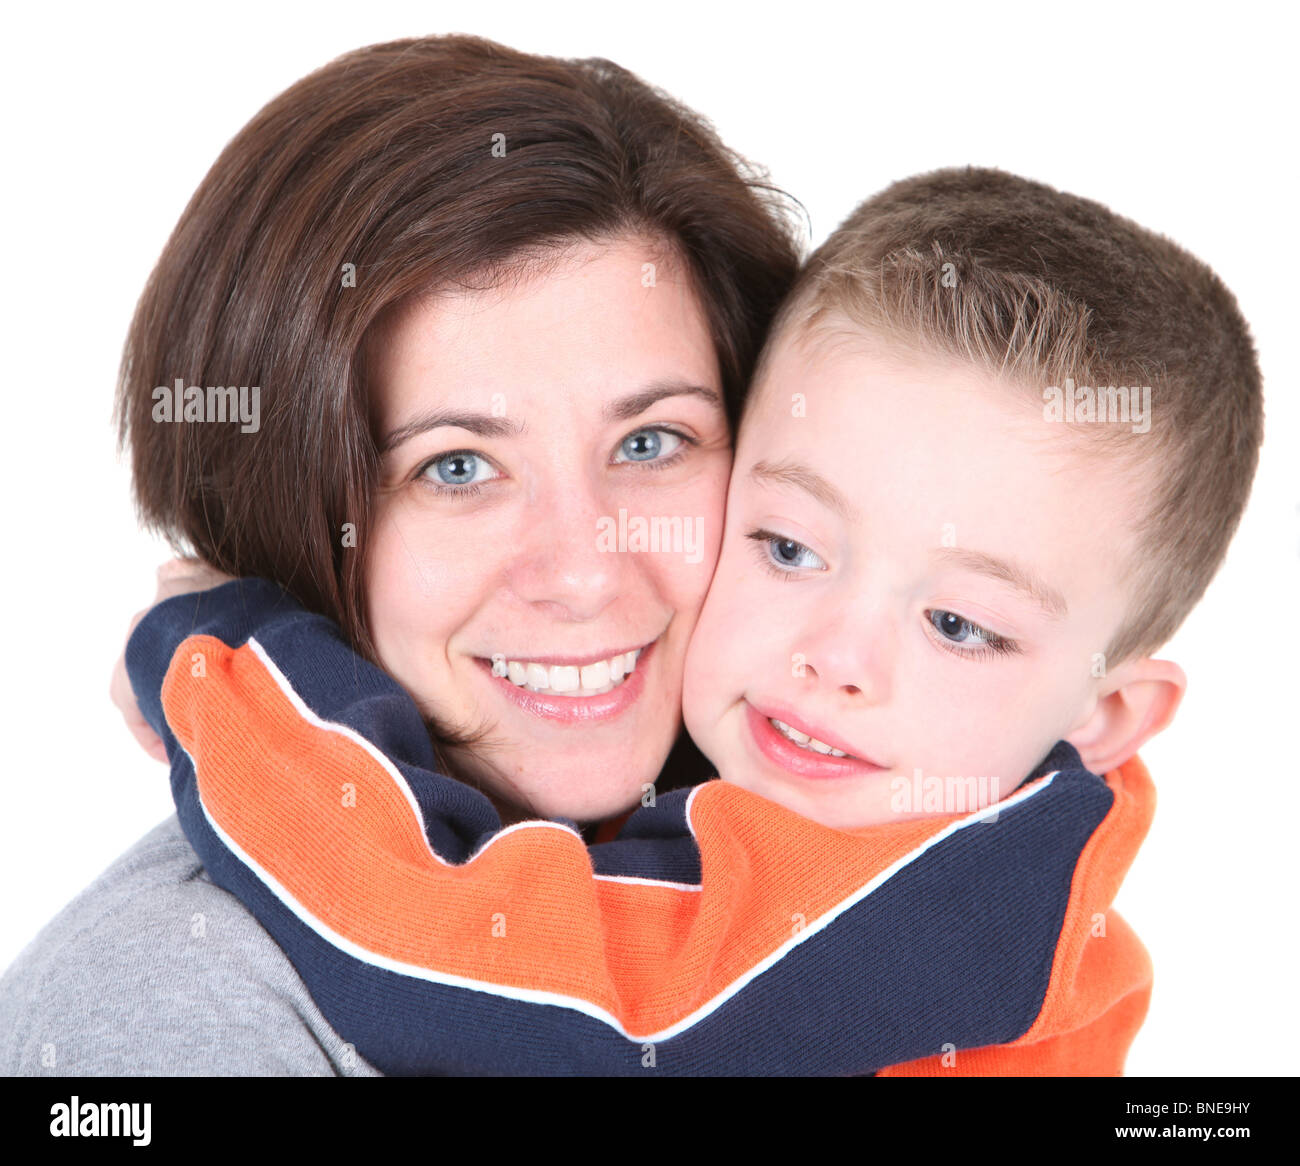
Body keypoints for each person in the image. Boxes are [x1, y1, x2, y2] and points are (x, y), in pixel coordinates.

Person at [112, 167, 1262, 1074]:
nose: (834, 658)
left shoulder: (947, 892)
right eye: (790, 547)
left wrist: (222, 654)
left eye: (960, 625)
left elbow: (452, 947)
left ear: (1110, 712)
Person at [0, 33, 799, 1075]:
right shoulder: (172, 1001)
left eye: (650, 443)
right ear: (278, 513)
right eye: (456, 468)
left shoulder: (793, 870)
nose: (585, 570)